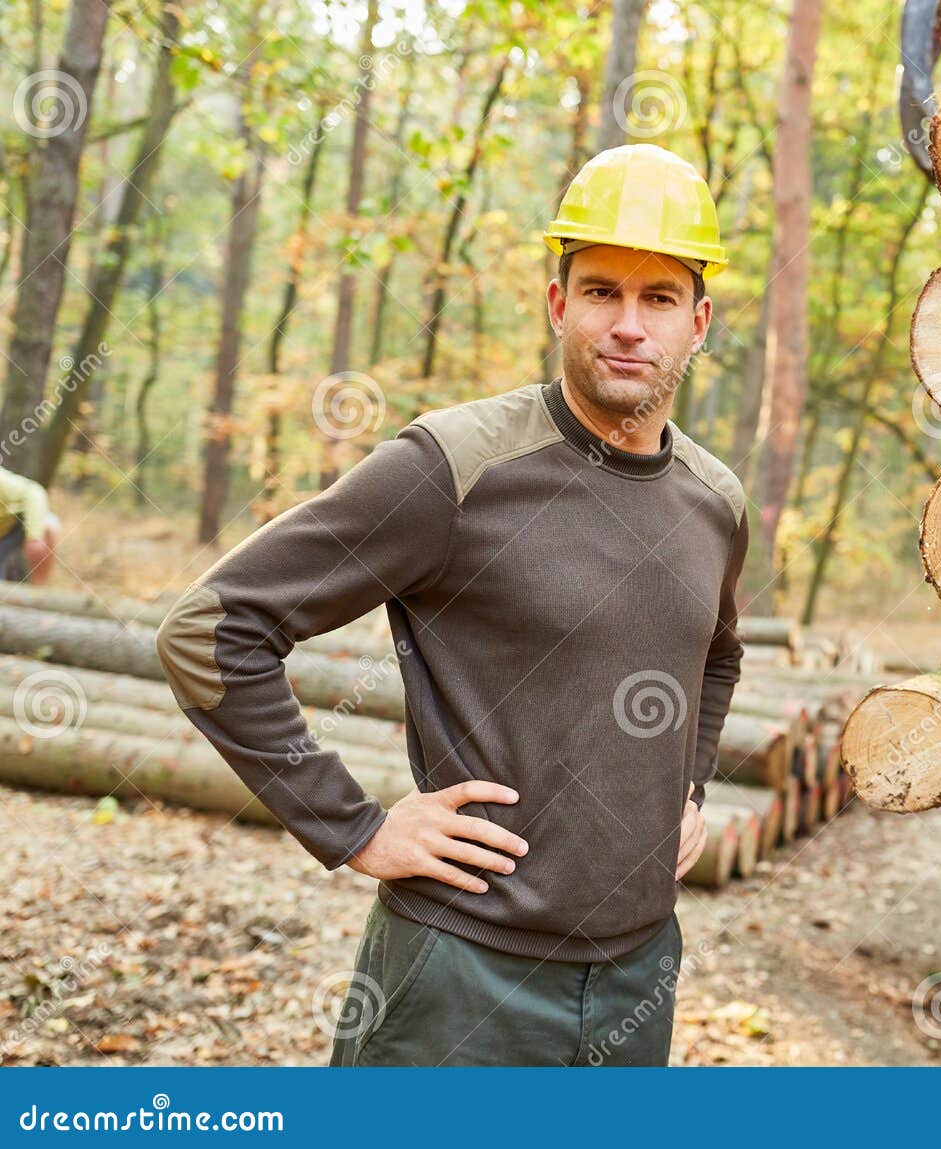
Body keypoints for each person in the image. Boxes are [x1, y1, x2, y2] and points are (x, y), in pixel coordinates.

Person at [156, 144, 748, 1066]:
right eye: (601, 291)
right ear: (558, 304)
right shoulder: (456, 468)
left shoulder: (715, 502)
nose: (629, 325)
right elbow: (208, 631)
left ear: (698, 321)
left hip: (639, 975)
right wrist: (353, 826)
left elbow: (717, 655)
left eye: (660, 298)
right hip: (461, 977)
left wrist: (690, 785)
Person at [0, 463, 60, 584]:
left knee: (49, 523)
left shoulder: (3, 481)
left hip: (13, 529)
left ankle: (37, 590)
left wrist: (34, 537)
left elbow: (34, 492)